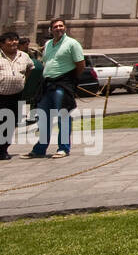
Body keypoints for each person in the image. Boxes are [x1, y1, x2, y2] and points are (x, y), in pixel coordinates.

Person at [27, 18, 83, 158]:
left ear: (65, 27)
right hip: (47, 84)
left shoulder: (72, 43)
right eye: (55, 26)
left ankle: (63, 148)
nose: (58, 28)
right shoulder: (48, 44)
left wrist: (71, 80)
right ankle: (40, 149)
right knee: (43, 117)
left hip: (62, 84)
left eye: (61, 26)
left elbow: (80, 64)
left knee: (63, 117)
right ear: (51, 30)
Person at [0, 32, 35, 160]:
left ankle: (3, 150)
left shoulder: (23, 56)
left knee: (10, 123)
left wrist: (22, 80)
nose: (14, 42)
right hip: (0, 96)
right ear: (2, 44)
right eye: (10, 40)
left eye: (16, 40)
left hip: (16, 96)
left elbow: (30, 68)